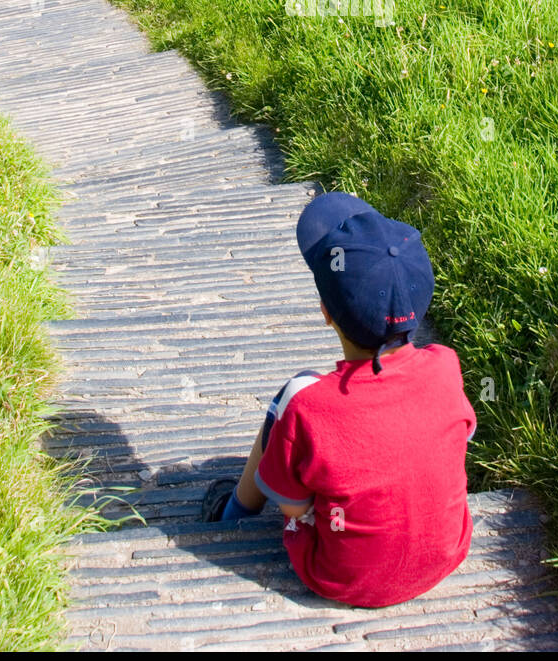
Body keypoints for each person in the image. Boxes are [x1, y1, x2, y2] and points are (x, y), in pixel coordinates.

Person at [201, 192, 476, 610]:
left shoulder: (308, 406)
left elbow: (294, 509)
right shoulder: (446, 366)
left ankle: (233, 515)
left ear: (326, 312)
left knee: (289, 399)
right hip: (445, 555)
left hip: (340, 576)